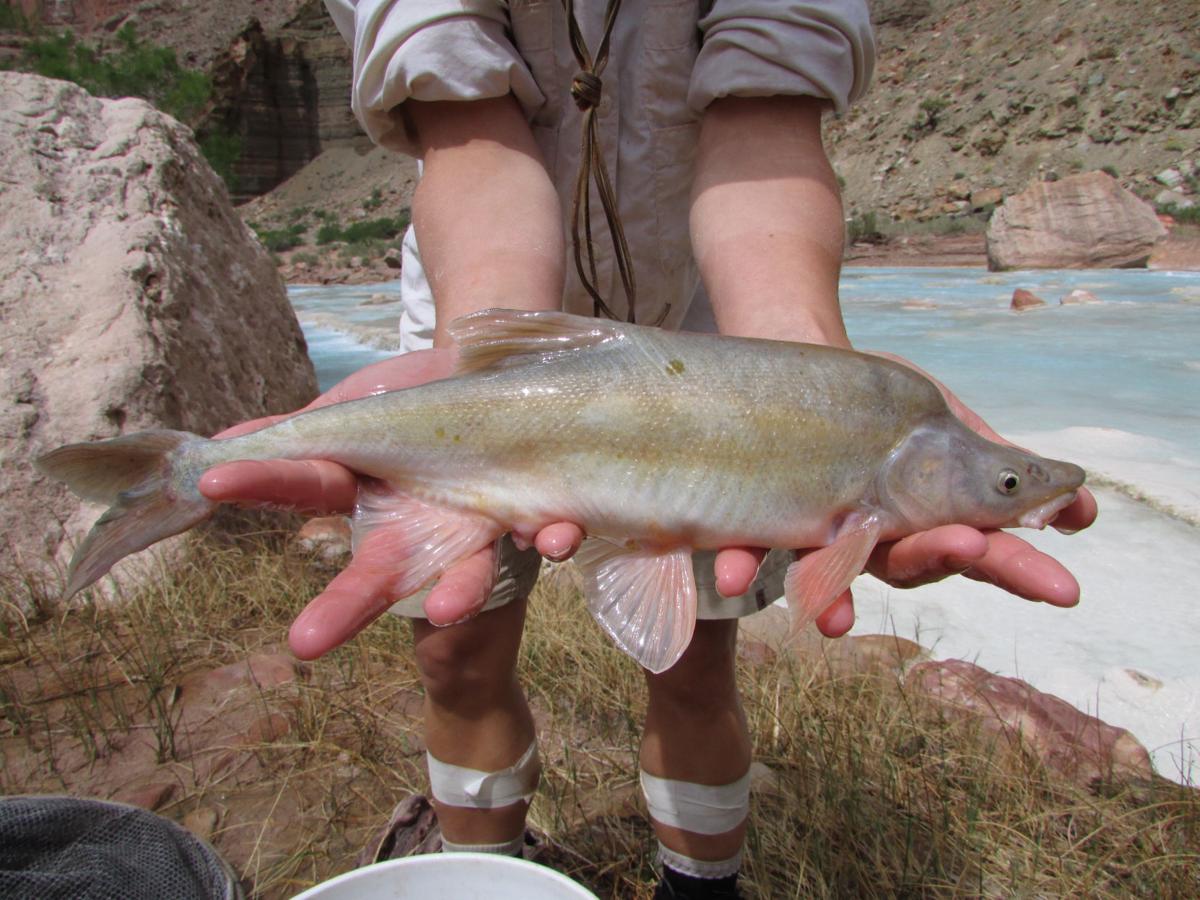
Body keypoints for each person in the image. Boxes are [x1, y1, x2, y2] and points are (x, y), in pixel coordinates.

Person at [200, 3, 1098, 897]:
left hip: (724, 349)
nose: (1015, 489)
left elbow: (766, 122)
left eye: (1009, 483)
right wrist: (482, 352)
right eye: (1007, 483)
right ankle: (479, 873)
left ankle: (700, 886)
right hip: (486, 327)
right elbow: (467, 129)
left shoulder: (890, 431)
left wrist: (805, 358)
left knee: (693, 664)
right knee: (453, 653)